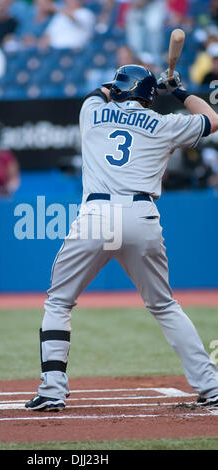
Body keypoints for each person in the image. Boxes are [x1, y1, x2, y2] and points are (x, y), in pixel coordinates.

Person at [25, 65, 218, 411]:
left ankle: (53, 390)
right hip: (141, 215)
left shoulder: (92, 112)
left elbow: (99, 94)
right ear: (147, 96)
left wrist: (138, 88)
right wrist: (176, 89)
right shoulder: (164, 123)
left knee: (59, 303)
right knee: (164, 306)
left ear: (120, 90)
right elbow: (212, 118)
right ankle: (211, 385)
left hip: (97, 217)